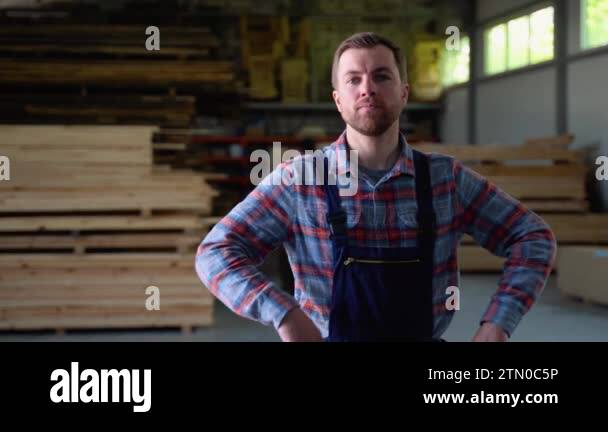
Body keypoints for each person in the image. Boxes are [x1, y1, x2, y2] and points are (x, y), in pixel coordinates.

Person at [195, 32, 557, 342]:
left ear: (404, 92)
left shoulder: (447, 181)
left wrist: (497, 326)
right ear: (338, 100)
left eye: (381, 76)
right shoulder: (299, 182)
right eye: (353, 79)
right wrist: (284, 312)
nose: (367, 88)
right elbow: (216, 253)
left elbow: (533, 237)